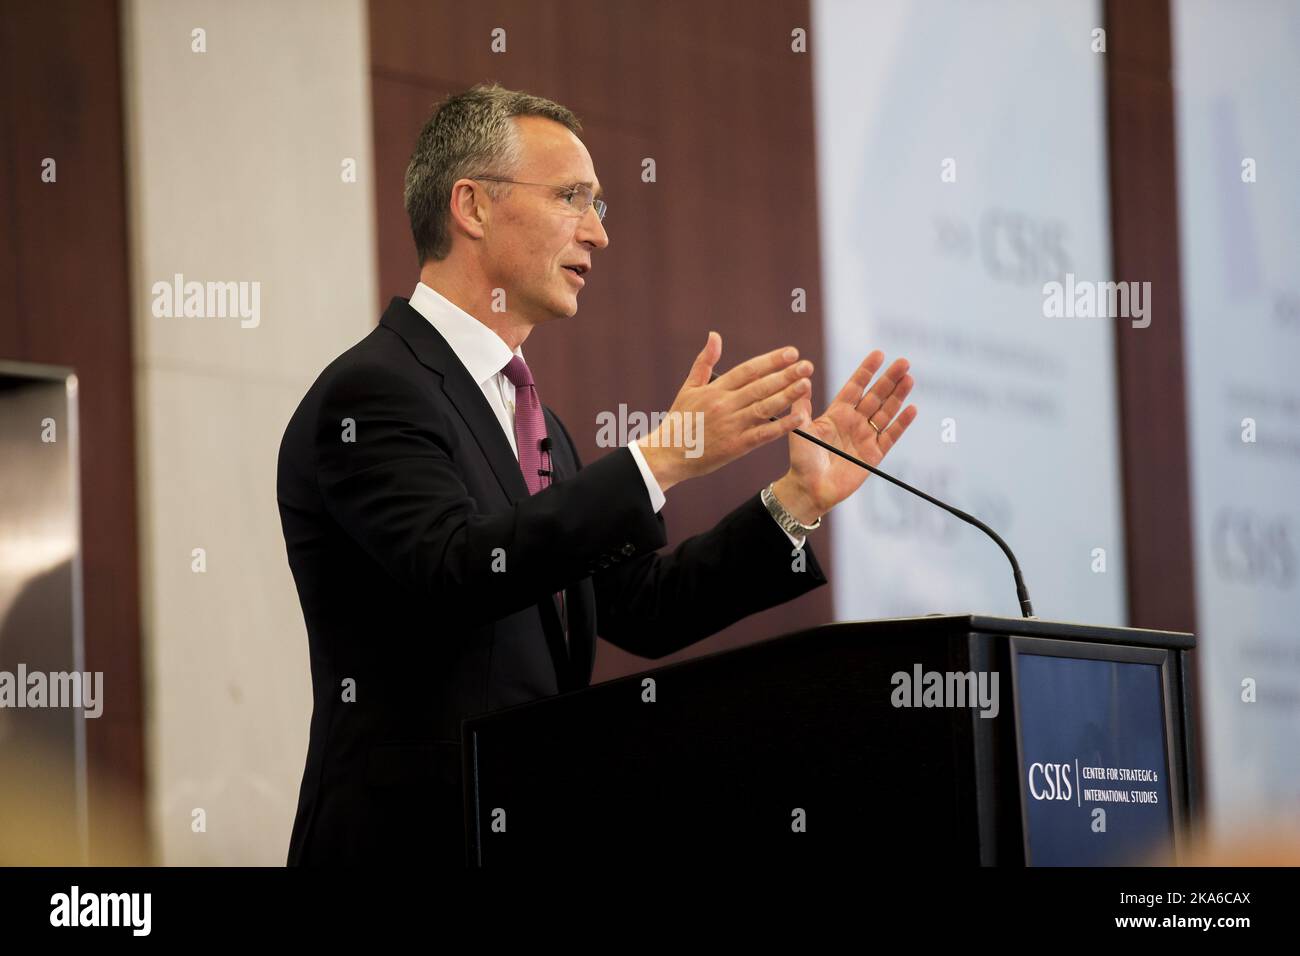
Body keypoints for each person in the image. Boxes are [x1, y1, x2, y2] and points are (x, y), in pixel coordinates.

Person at [276, 83, 917, 865]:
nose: (598, 234)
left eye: (600, 204)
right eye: (573, 197)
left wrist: (795, 503)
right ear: (471, 207)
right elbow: (456, 567)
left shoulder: (530, 418)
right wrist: (664, 457)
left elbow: (639, 609)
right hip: (407, 844)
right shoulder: (374, 392)